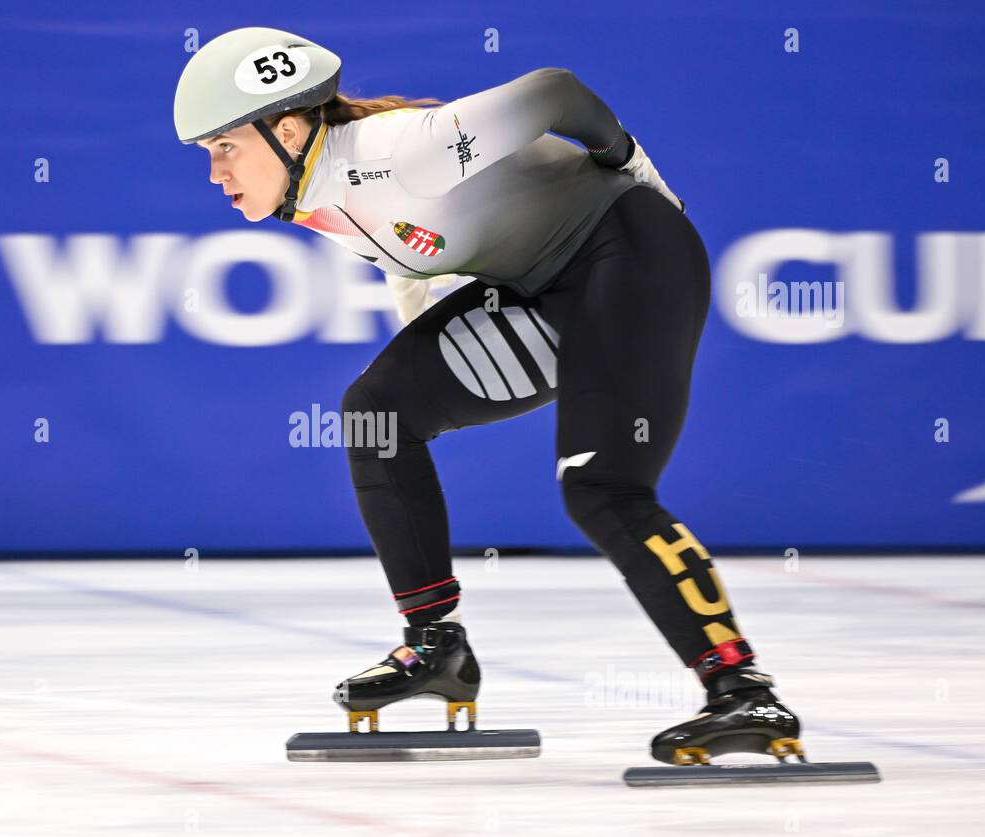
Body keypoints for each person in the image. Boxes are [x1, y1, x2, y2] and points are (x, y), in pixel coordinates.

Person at [174, 27, 803, 765]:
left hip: (632, 253)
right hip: (540, 290)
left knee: (602, 486)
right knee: (378, 414)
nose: (215, 172)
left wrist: (638, 173)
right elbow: (404, 258)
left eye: (225, 146)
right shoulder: (313, 190)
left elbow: (556, 92)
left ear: (287, 130)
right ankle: (435, 646)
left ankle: (741, 689)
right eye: (207, 152)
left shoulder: (399, 150)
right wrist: (420, 377)